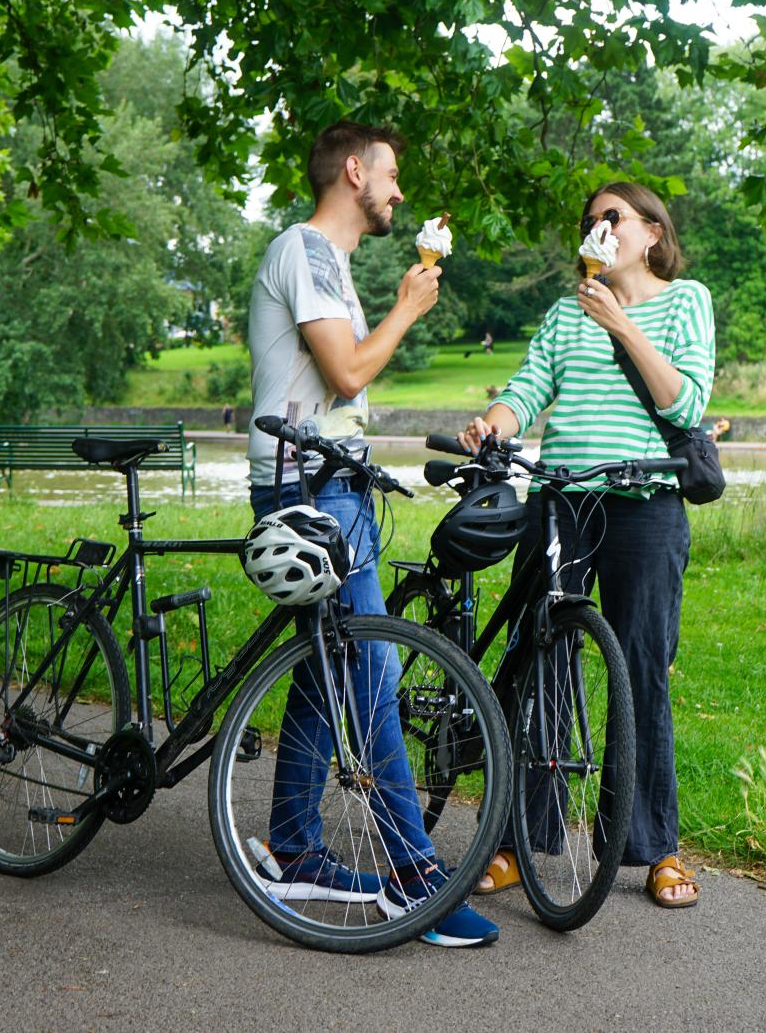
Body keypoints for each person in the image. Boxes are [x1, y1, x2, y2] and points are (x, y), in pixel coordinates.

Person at [244, 119, 496, 947]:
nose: (399, 193)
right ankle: (415, 878)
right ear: (355, 170)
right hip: (307, 489)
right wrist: (409, 310)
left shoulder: (333, 265)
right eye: (391, 176)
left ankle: (292, 849)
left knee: (334, 666)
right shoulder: (306, 251)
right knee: (376, 664)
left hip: (337, 482)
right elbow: (346, 370)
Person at [459, 180, 713, 910]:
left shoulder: (685, 300)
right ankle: (516, 839)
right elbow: (529, 388)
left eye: (612, 217)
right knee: (540, 660)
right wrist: (494, 422)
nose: (597, 228)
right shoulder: (564, 313)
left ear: (650, 234)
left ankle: (652, 846)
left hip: (649, 505)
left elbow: (686, 401)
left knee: (641, 670)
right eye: (589, 220)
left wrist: (623, 324)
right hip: (563, 500)